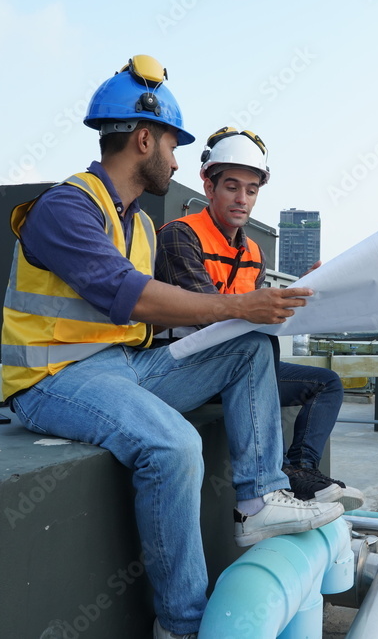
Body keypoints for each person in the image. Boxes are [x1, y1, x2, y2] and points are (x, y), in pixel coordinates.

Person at [0, 56, 342, 639]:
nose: (178, 160)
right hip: (54, 379)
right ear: (142, 138)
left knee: (250, 350)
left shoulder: (134, 221)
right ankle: (182, 625)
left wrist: (260, 314)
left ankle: (260, 500)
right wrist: (239, 306)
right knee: (176, 444)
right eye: (173, 146)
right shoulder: (67, 208)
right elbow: (127, 295)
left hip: (123, 368)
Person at [153, 126, 364, 510]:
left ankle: (300, 472)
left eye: (251, 190)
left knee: (327, 384)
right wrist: (263, 307)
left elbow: (259, 313)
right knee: (255, 346)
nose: (242, 199)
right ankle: (262, 495)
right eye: (232, 187)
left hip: (243, 363)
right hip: (186, 368)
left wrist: (302, 293)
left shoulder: (252, 251)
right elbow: (209, 317)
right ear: (208, 185)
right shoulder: (179, 237)